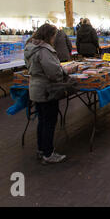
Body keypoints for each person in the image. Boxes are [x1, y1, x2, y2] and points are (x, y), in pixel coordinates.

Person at [24, 24, 66, 164]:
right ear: (49, 35)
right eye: (54, 36)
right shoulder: (44, 50)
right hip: (47, 89)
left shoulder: (30, 48)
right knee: (49, 121)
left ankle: (41, 149)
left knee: (42, 120)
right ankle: (48, 154)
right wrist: (63, 75)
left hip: (35, 88)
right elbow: (53, 72)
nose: (54, 39)